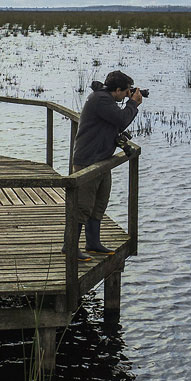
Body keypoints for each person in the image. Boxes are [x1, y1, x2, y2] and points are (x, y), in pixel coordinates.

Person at [63, 70, 143, 261]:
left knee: (98, 204)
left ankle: (93, 244)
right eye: (125, 92)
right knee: (81, 207)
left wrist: (130, 102)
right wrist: (133, 104)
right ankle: (70, 248)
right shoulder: (101, 100)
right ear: (116, 90)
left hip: (101, 160)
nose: (126, 95)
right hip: (88, 161)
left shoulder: (106, 100)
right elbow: (122, 120)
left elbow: (117, 123)